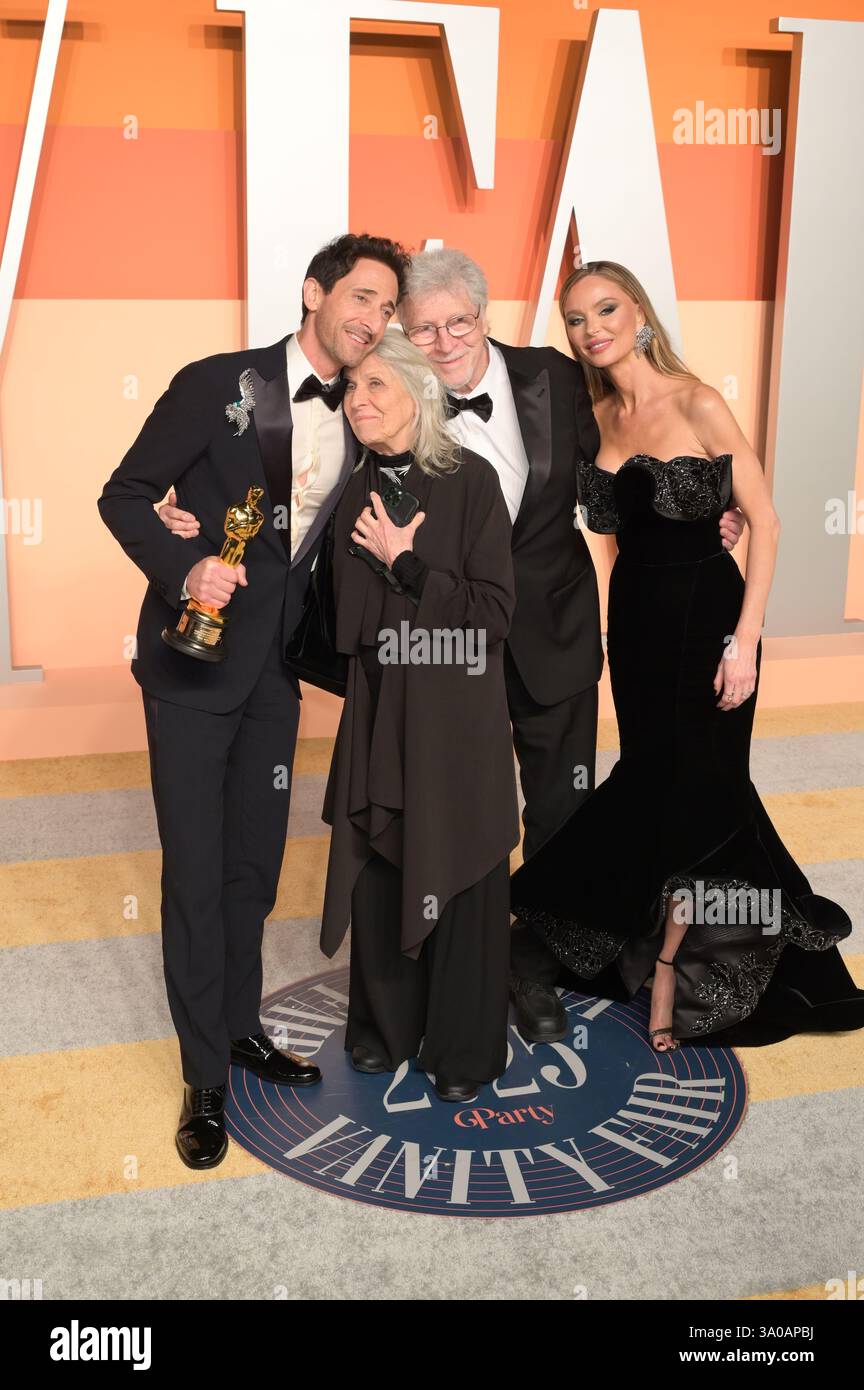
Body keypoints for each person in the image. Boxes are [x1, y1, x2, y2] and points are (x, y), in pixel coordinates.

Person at [98, 233, 411, 1169]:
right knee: (195, 873)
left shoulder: (366, 410)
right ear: (314, 293)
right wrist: (183, 562)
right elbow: (124, 495)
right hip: (193, 667)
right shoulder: (216, 383)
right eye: (361, 297)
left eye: (387, 308)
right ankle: (203, 1076)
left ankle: (237, 1028)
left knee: (253, 870)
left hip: (275, 679)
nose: (373, 319)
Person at [509, 259, 864, 1050]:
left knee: (708, 789)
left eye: (605, 309)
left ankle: (682, 966)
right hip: (635, 624)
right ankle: (652, 942)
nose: (592, 328)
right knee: (652, 782)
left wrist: (746, 639)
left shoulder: (698, 400)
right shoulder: (594, 416)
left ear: (638, 312)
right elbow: (616, 538)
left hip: (711, 620)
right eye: (575, 318)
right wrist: (610, 622)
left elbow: (764, 521)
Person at [396, 249, 746, 1042]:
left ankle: (545, 956)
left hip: (555, 629)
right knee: (467, 810)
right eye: (424, 327)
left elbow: (634, 466)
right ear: (405, 333)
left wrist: (712, 519)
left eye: (458, 320)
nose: (445, 339)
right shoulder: (389, 396)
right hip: (449, 645)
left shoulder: (555, 377)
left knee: (562, 806)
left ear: (484, 317)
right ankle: (467, 959)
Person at [320, 329, 520, 1102]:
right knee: (380, 861)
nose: (360, 401)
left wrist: (406, 563)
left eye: (377, 386)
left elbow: (493, 613)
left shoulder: (469, 482)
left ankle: (465, 1050)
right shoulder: (351, 487)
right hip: (379, 707)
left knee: (461, 866)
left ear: (417, 392)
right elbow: (344, 623)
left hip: (454, 714)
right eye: (352, 388)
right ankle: (383, 1027)